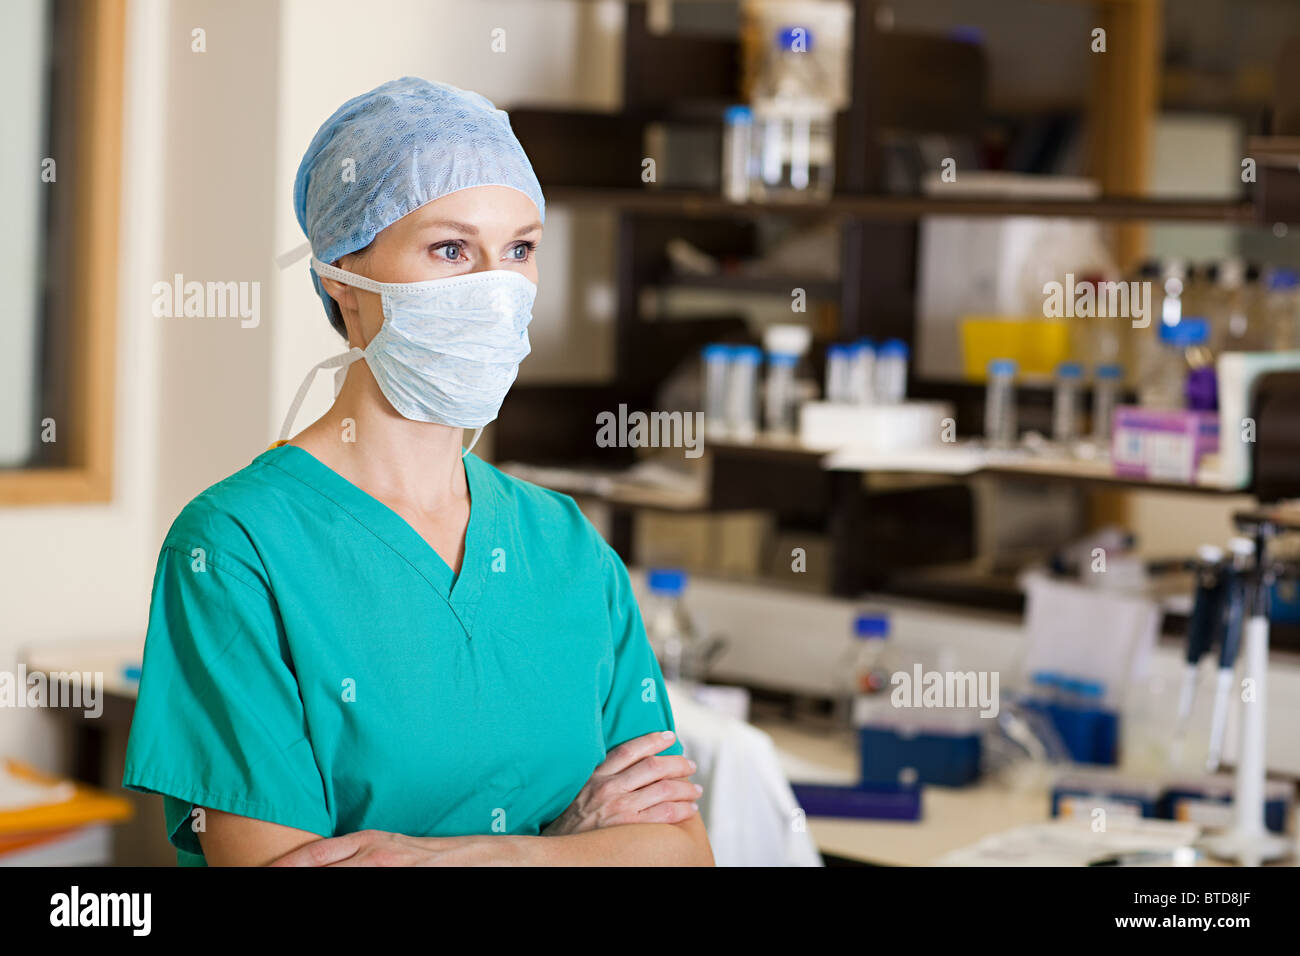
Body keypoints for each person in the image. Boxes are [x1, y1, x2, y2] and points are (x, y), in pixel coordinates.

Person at [122, 77, 713, 866]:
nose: (495, 290)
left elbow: (682, 853)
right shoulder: (236, 548)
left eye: (521, 250)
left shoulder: (564, 544)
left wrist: (482, 856)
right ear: (341, 276)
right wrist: (575, 843)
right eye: (450, 248)